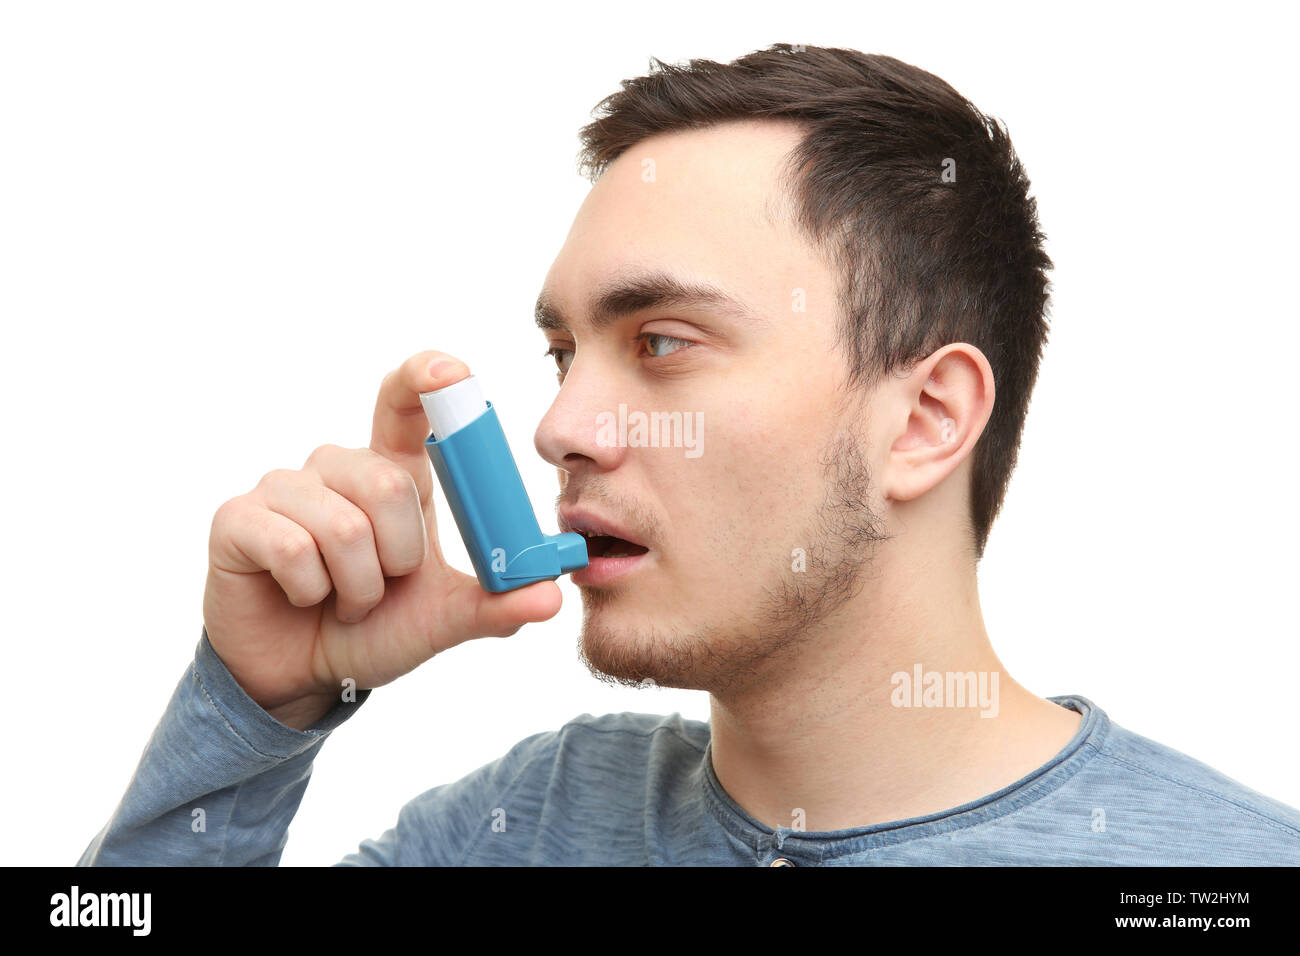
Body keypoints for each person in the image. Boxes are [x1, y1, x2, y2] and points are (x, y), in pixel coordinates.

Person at [80, 44, 1300, 866]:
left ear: (925, 419)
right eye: (565, 353)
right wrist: (252, 714)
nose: (561, 428)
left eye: (661, 341)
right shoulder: (526, 826)